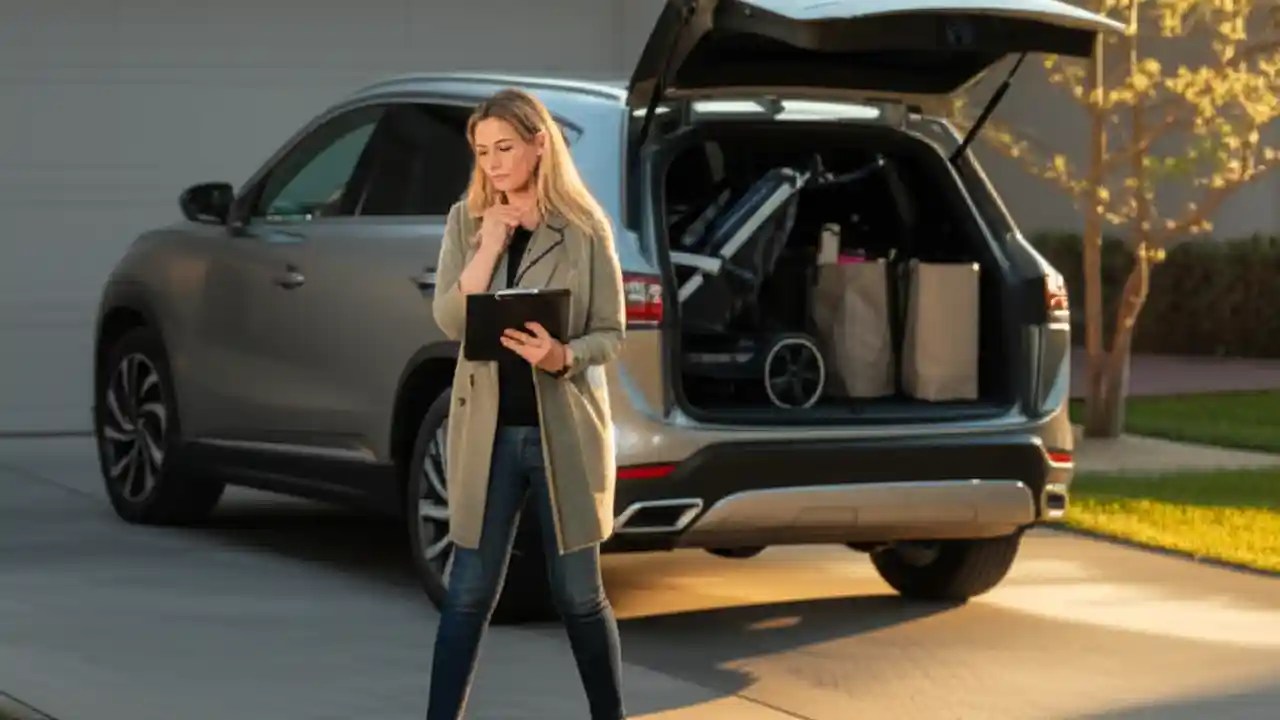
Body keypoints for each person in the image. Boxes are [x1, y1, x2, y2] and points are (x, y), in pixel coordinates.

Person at [426, 87, 628, 720]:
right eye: (483, 152)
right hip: (486, 435)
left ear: (540, 144)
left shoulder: (584, 228)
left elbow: (611, 334)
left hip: (561, 430)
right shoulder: (466, 220)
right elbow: (450, 320)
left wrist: (559, 356)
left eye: (505, 149)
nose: (493, 164)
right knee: (466, 592)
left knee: (579, 595)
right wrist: (488, 244)